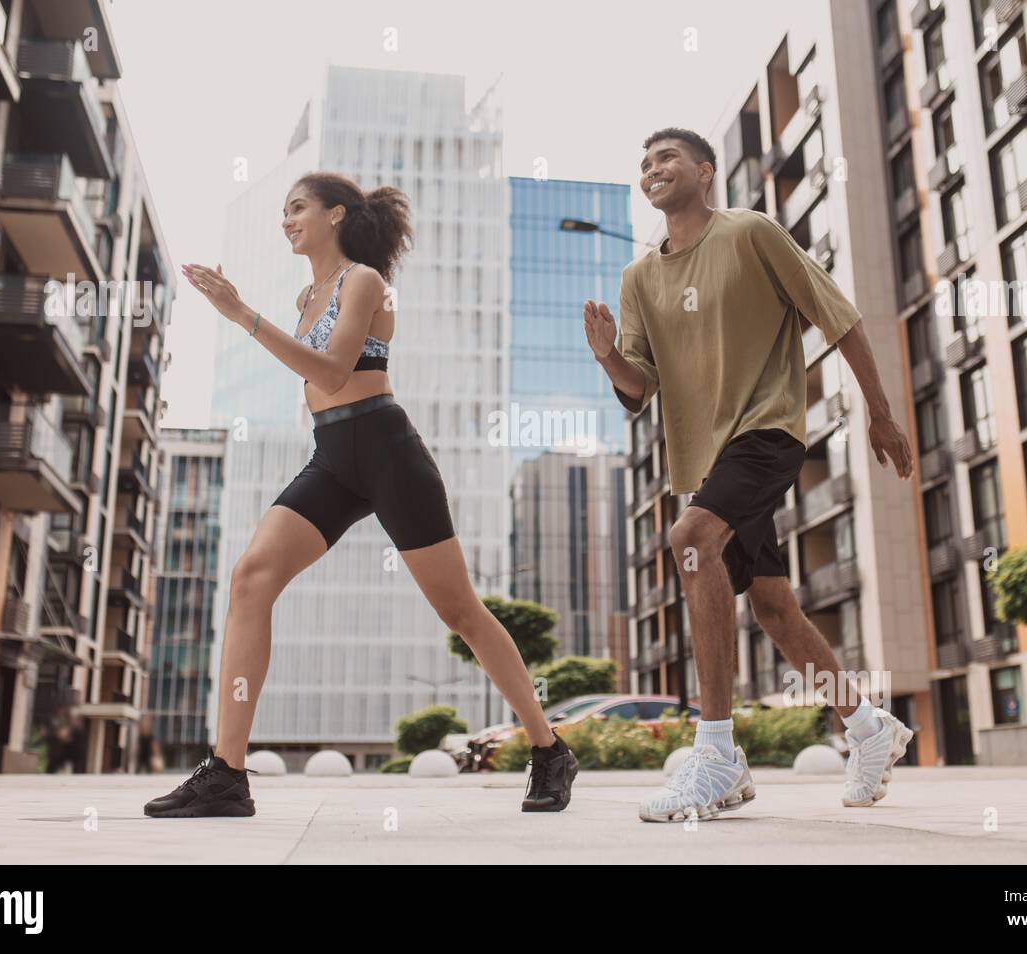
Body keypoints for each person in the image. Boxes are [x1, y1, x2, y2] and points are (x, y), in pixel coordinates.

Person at [144, 172, 577, 818]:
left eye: (297, 208)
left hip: (388, 452)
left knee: (461, 612)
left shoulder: (365, 282)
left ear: (336, 215)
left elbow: (334, 369)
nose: (286, 220)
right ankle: (227, 773)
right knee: (250, 577)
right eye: (283, 210)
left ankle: (549, 750)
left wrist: (240, 314)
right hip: (333, 456)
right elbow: (315, 386)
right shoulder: (305, 295)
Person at [584, 129, 915, 822]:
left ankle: (717, 754)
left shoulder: (752, 232)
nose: (653, 169)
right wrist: (609, 354)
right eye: (643, 163)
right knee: (773, 608)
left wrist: (880, 414)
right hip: (704, 461)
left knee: (691, 538)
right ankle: (867, 729)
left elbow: (838, 317)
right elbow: (639, 386)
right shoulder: (639, 277)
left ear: (705, 171)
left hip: (768, 429)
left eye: (667, 157)